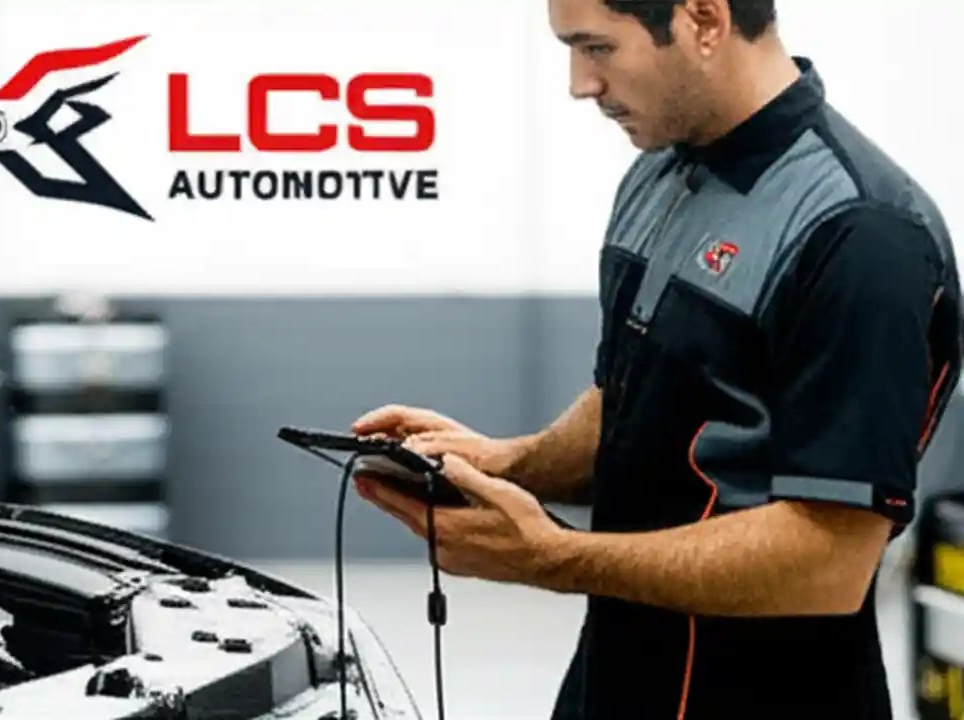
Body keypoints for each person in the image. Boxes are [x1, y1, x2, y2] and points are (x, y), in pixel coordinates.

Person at [350, 1, 964, 718]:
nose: (580, 83)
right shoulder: (660, 177)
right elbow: (633, 401)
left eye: (596, 48)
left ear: (704, 20)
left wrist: (548, 556)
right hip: (614, 680)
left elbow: (828, 563)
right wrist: (501, 462)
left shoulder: (860, 233)